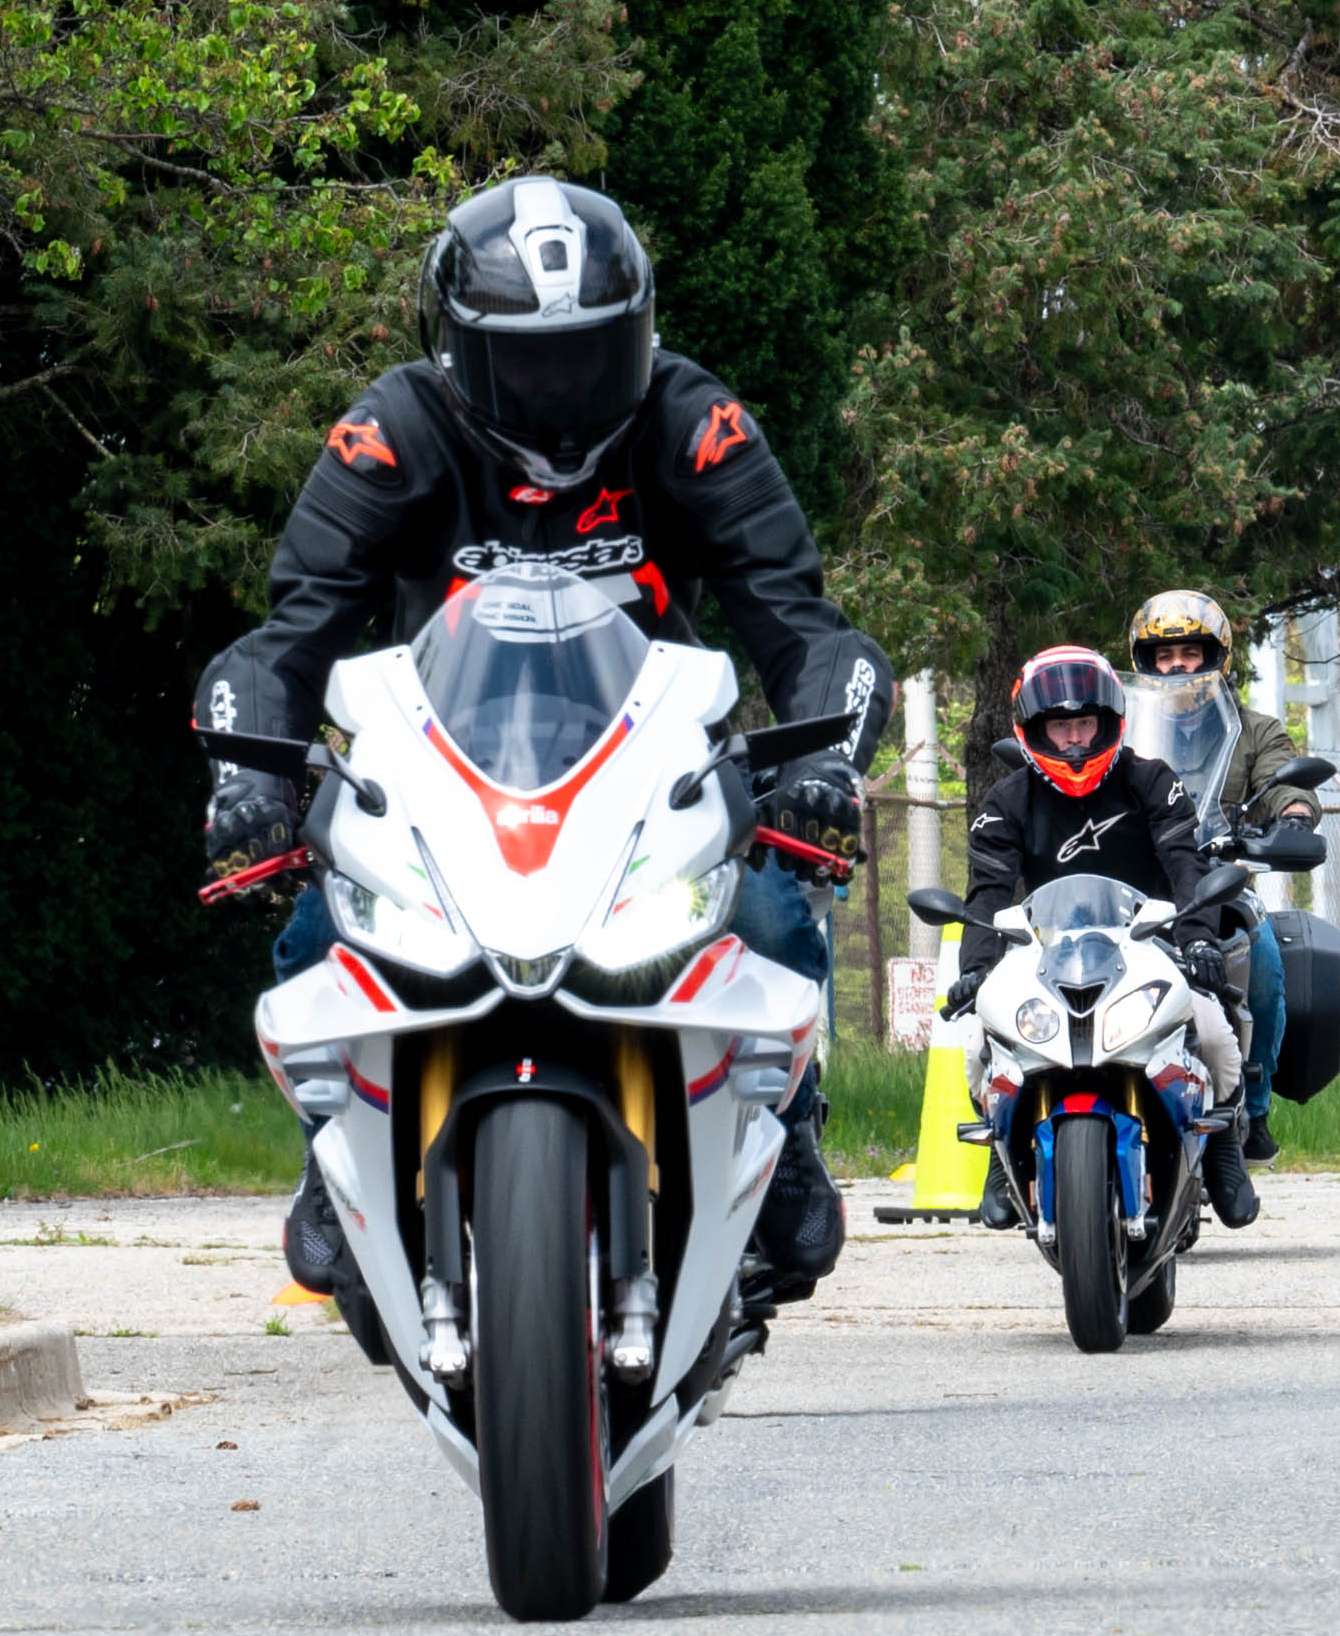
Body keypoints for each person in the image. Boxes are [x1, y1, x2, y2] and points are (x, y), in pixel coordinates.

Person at [197, 177, 891, 1307]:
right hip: (437, 774)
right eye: (525, 360)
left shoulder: (694, 420)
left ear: (639, 334)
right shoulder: (391, 429)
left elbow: (809, 631)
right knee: (317, 926)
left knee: (771, 909)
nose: (558, 387)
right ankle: (334, 1151)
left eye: (584, 355)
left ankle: (787, 1119)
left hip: (654, 765)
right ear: (455, 347)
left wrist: (820, 765)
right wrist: (247, 778)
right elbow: (284, 640)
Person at [950, 647, 1259, 1225]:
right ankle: (1001, 1154)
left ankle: (1221, 1151)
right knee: (978, 1048)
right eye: (1060, 726)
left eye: (1083, 723)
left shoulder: (1151, 781)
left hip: (1150, 940)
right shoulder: (1006, 801)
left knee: (1216, 1033)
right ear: (1033, 730)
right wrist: (977, 968)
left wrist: (1197, 940)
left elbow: (1186, 866)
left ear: (1109, 722)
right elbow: (987, 893)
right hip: (1046, 950)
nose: (1073, 740)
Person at [1124, 589, 1319, 1166]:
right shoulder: (1120, 727)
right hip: (1137, 886)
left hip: (1219, 878)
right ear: (1146, 664)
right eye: (1165, 655)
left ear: (1215, 657)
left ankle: (1252, 1109)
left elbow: (1286, 778)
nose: (1178, 665)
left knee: (1259, 959)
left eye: (1190, 651)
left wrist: (1293, 814)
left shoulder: (1253, 729)